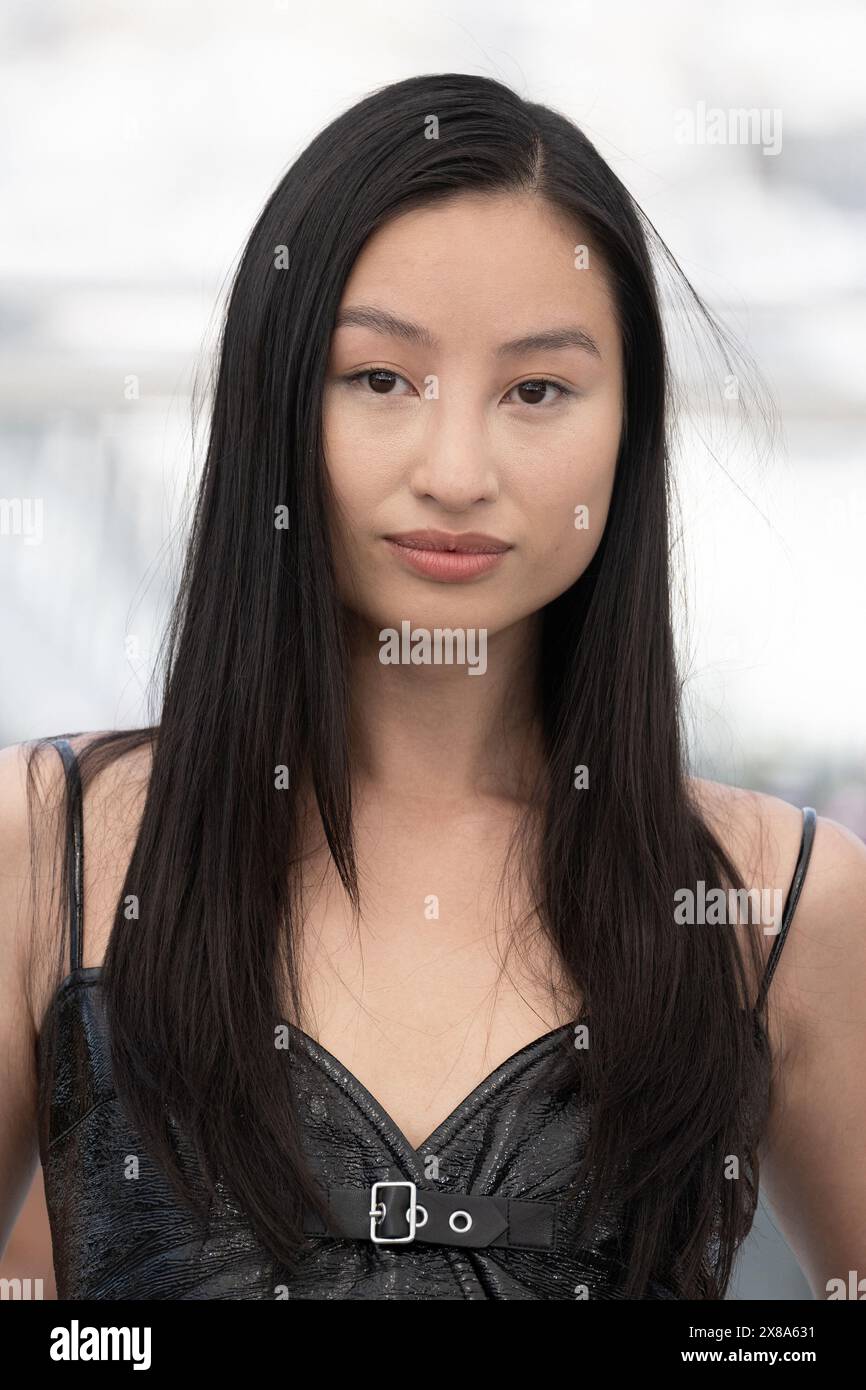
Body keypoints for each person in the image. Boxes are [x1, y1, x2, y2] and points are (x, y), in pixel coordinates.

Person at [1, 72, 864, 1302]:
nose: (455, 470)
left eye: (535, 391)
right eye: (380, 380)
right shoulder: (51, 843)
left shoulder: (778, 903)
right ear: (274, 400)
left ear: (630, 429)